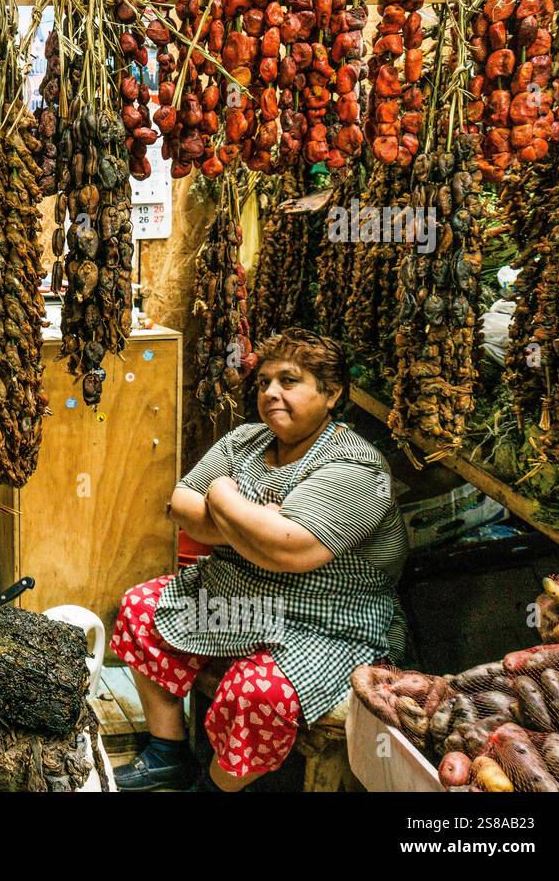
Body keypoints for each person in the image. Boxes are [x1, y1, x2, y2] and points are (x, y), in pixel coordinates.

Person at [110, 328, 407, 792]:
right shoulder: (245, 440)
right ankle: (167, 750)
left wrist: (222, 495)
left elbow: (289, 550)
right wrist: (253, 522)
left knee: (257, 693)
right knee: (140, 610)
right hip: (239, 594)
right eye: (265, 381)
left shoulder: (356, 466)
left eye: (289, 381)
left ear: (332, 394)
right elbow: (182, 509)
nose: (270, 392)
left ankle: (215, 786)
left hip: (325, 620)